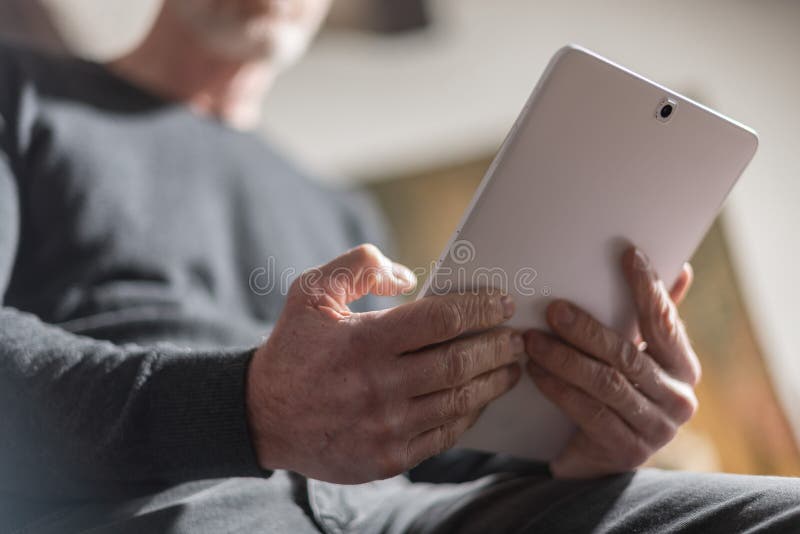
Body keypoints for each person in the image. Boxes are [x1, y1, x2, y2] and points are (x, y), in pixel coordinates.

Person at [0, 1, 797, 532]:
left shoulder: (337, 209)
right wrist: (247, 407)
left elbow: (416, 444)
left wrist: (577, 443)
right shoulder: (22, 88)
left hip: (404, 513)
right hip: (162, 493)